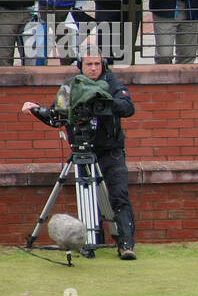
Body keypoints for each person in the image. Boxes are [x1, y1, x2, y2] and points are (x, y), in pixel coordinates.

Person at [21, 52, 137, 259]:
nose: (93, 68)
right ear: (80, 66)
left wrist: (104, 102)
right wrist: (37, 110)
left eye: (97, 64)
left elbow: (128, 108)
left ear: (104, 65)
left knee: (119, 196)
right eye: (89, 64)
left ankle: (126, 245)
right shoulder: (70, 88)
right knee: (89, 198)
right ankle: (89, 244)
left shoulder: (113, 85)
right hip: (84, 149)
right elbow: (57, 117)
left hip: (111, 151)